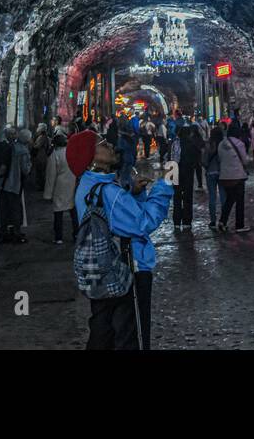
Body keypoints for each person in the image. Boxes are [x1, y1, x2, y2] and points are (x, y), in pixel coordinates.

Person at [70, 130, 173, 350]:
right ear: (91, 157)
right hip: (126, 270)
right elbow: (144, 222)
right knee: (129, 336)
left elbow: (112, 219)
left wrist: (133, 194)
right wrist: (164, 185)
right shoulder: (109, 192)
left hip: (100, 272)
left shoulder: (86, 188)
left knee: (102, 332)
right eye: (102, 144)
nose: (110, 146)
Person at [0, 126, 32, 243]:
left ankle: (3, 232)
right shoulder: (23, 151)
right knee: (15, 209)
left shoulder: (9, 146)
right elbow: (25, 169)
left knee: (4, 209)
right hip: (14, 184)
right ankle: (16, 233)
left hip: (2, 183)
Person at [43, 131, 78, 244]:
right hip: (72, 183)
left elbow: (50, 175)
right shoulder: (71, 153)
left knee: (58, 212)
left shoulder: (55, 155)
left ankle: (59, 237)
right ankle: (76, 234)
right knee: (73, 211)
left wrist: (48, 194)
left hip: (60, 186)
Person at [216, 120, 251, 233]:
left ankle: (222, 221)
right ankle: (239, 225)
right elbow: (245, 161)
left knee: (230, 199)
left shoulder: (221, 144)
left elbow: (220, 159)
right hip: (238, 176)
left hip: (225, 176)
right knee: (239, 201)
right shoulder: (239, 144)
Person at [171, 124, 201, 232]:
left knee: (177, 197)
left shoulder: (175, 143)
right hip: (188, 172)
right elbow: (197, 158)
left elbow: (172, 158)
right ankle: (187, 221)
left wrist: (169, 176)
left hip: (176, 171)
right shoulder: (191, 144)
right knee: (188, 196)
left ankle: (177, 221)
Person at [203, 124, 223, 226]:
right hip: (221, 172)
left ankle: (213, 220)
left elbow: (204, 160)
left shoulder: (209, 145)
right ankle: (224, 219)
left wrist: (206, 166)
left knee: (212, 196)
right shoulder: (223, 144)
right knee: (223, 196)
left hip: (210, 172)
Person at [31, 122, 50, 191]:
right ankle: (41, 185)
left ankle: (41, 186)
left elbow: (37, 146)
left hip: (41, 155)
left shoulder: (42, 137)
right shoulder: (43, 136)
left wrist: (31, 143)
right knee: (40, 171)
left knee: (40, 171)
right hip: (41, 155)